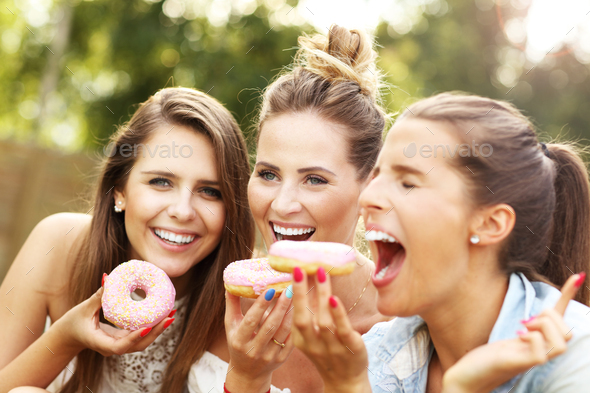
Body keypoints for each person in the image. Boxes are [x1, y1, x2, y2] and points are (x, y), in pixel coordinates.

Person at [289, 92, 590, 392]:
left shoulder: (576, 359)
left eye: (407, 183)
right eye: (376, 177)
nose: (366, 198)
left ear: (489, 224)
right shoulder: (373, 356)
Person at [0, 87, 255, 393]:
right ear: (120, 190)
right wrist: (67, 336)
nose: (182, 211)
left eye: (211, 191)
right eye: (161, 182)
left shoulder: (244, 302)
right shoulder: (59, 244)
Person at [187, 25, 391, 393]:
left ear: (369, 186)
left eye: (314, 179)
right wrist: (246, 379)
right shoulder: (211, 299)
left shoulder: (406, 321)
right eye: (267, 174)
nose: (281, 204)